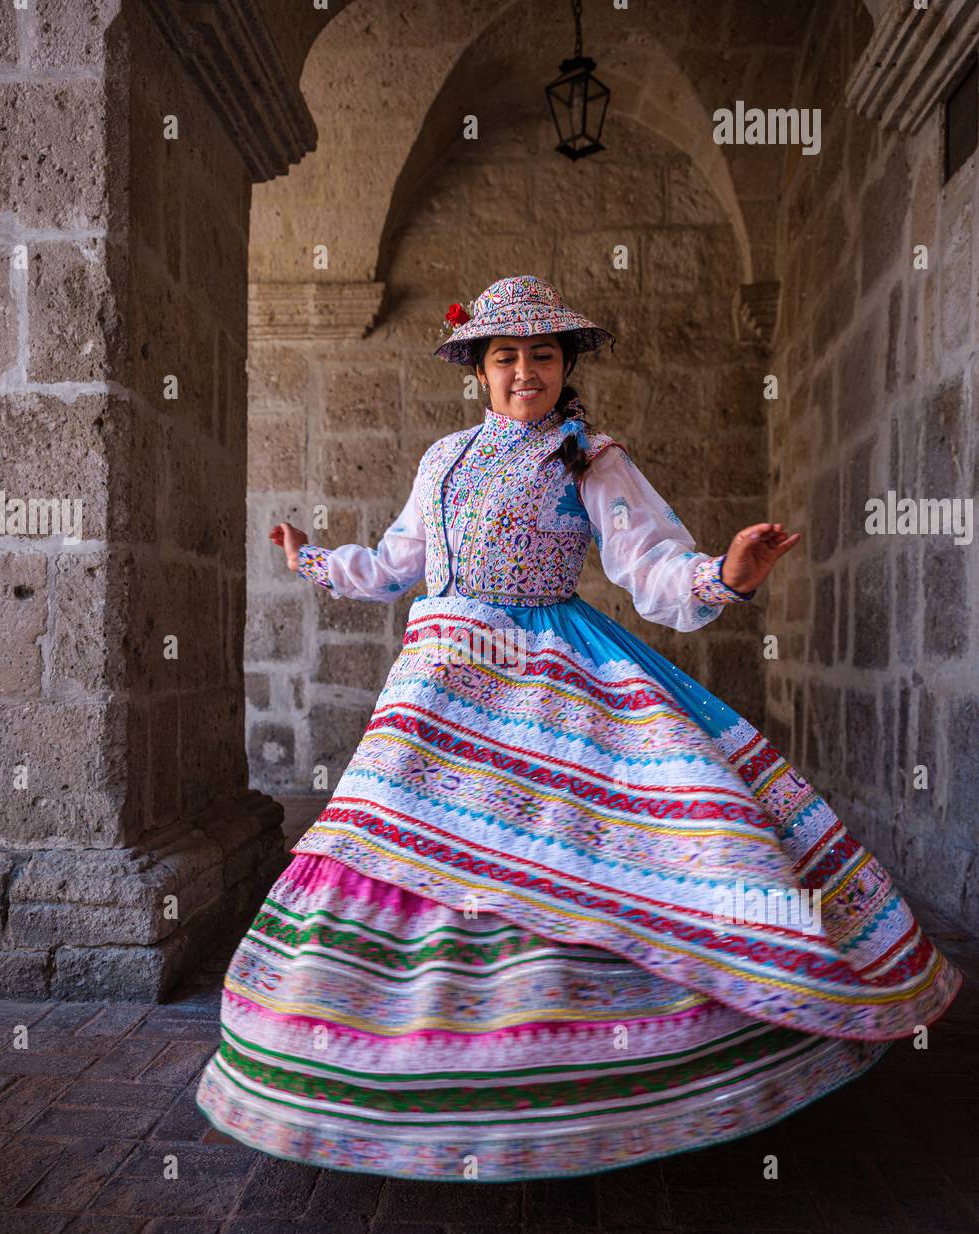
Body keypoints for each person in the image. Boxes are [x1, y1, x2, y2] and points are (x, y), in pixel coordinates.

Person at [195, 275, 962, 1183]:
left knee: (569, 843)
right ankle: (380, 1062)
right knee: (398, 840)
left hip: (550, 674)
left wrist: (730, 572)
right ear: (479, 370)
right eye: (507, 356)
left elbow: (654, 567)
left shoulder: (587, 456)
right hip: (437, 688)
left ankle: (599, 1061)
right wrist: (314, 559)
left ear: (565, 367)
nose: (526, 370)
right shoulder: (441, 459)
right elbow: (398, 560)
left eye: (544, 355)